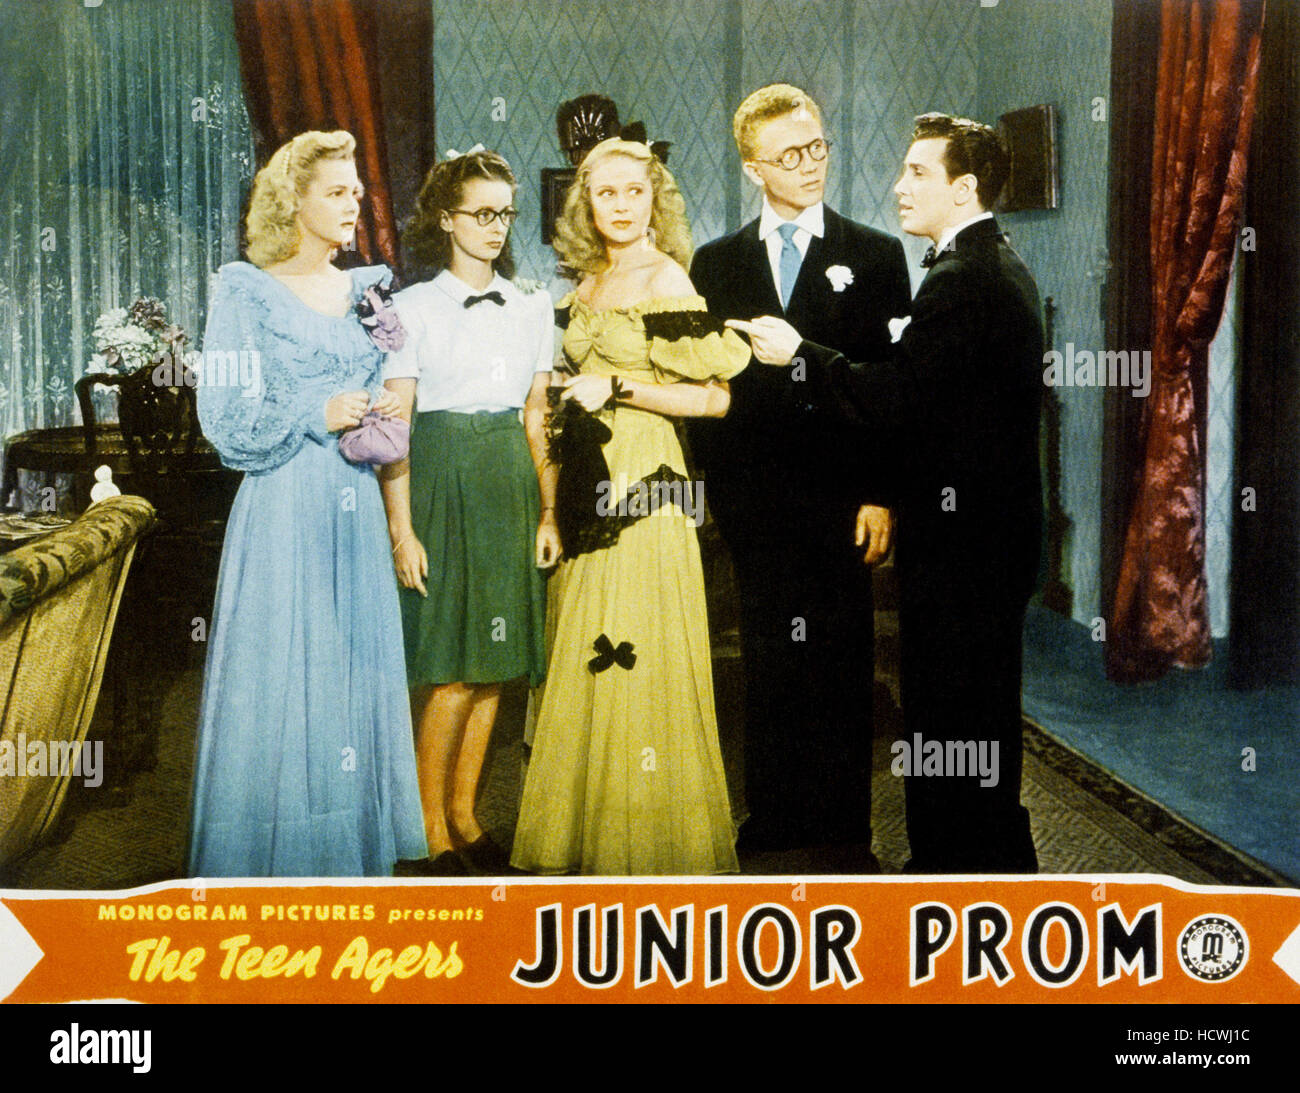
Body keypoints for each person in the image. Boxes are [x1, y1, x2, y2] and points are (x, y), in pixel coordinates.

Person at [730, 113, 1042, 874]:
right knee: (969, 712)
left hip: (967, 547)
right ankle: (976, 864)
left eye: (918, 174)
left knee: (951, 713)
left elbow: (894, 396)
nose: (898, 186)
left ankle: (958, 874)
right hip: (987, 539)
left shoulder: (962, 280)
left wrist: (799, 351)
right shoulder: (988, 264)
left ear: (963, 189)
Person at [188, 130, 427, 877]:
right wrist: (311, 413)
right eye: (337, 190)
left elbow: (397, 406)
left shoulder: (369, 290)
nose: (355, 201)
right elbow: (224, 417)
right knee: (283, 676)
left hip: (354, 502)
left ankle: (345, 861)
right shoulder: (244, 290)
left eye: (357, 190)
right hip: (285, 504)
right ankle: (271, 864)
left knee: (350, 672)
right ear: (294, 201)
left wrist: (390, 428)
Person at [510, 138, 750, 876]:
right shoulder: (585, 283)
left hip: (648, 483)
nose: (620, 206)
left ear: (655, 199)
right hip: (585, 483)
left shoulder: (666, 278)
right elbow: (543, 396)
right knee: (588, 649)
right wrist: (549, 508)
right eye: (605, 194)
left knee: (641, 654)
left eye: (633, 192)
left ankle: (645, 849)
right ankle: (589, 841)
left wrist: (619, 387)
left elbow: (715, 398)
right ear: (586, 203)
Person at [686, 84, 912, 866]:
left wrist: (882, 493)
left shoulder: (878, 254)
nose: (811, 164)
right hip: (754, 505)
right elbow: (704, 391)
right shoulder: (715, 262)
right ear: (754, 167)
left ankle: (844, 830)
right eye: (790, 154)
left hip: (844, 501)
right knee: (770, 662)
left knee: (842, 664)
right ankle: (774, 820)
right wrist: (710, 494)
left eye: (817, 146)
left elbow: (889, 387)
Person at [379, 148, 555, 876]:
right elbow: (395, 425)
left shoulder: (532, 305)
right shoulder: (407, 309)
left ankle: (465, 814)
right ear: (446, 219)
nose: (495, 226)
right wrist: (401, 529)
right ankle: (426, 832)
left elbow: (537, 415)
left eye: (504, 214)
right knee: (450, 667)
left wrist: (549, 512)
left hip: (508, 481)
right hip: (440, 477)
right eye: (481, 213)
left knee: (495, 669)